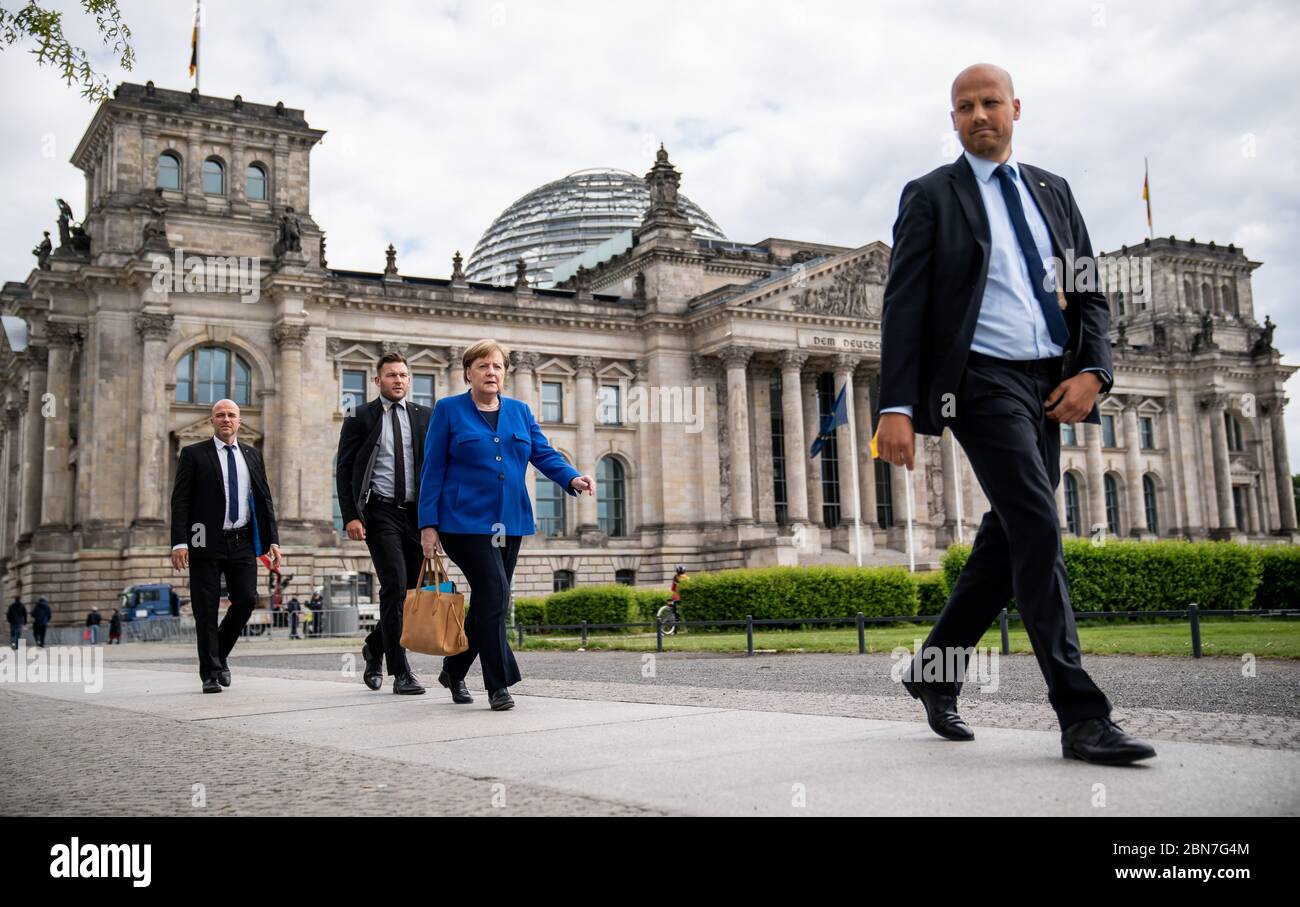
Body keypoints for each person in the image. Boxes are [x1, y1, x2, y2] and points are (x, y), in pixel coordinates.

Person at [876, 64, 1155, 765]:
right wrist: (896, 405)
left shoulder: (1053, 191)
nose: (978, 115)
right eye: (964, 106)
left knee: (1007, 537)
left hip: (1050, 381)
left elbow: (1089, 288)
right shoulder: (932, 195)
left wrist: (1095, 369)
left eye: (989, 102)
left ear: (1015, 108)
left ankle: (932, 669)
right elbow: (904, 304)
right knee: (1037, 521)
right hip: (977, 380)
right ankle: (1082, 715)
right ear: (953, 119)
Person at [418, 339, 595, 711]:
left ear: (505, 372)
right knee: (497, 594)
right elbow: (432, 469)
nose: (491, 373)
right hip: (462, 522)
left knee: (488, 600)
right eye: (483, 366)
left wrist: (572, 478)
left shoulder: (519, 411)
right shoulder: (448, 410)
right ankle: (499, 685)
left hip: (509, 521)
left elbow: (543, 453)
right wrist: (428, 525)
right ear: (468, 373)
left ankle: (454, 669)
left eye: (497, 366)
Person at [335, 351, 431, 694]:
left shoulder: (424, 417)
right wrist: (350, 515)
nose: (399, 380)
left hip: (416, 515)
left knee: (411, 593)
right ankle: (401, 673)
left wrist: (435, 520)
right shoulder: (360, 415)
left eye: (403, 375)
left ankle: (374, 647)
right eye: (391, 375)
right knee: (393, 583)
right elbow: (344, 469)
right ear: (378, 381)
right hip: (379, 512)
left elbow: (433, 470)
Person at [170, 398, 282, 693]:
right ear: (212, 421)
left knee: (246, 598)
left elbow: (264, 499)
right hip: (204, 538)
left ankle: (217, 654)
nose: (226, 419)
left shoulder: (252, 455)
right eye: (220, 415)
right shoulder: (193, 454)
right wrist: (179, 541)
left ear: (239, 420)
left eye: (231, 415)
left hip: (242, 538)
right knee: (205, 607)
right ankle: (210, 673)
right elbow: (180, 500)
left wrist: (272, 539)